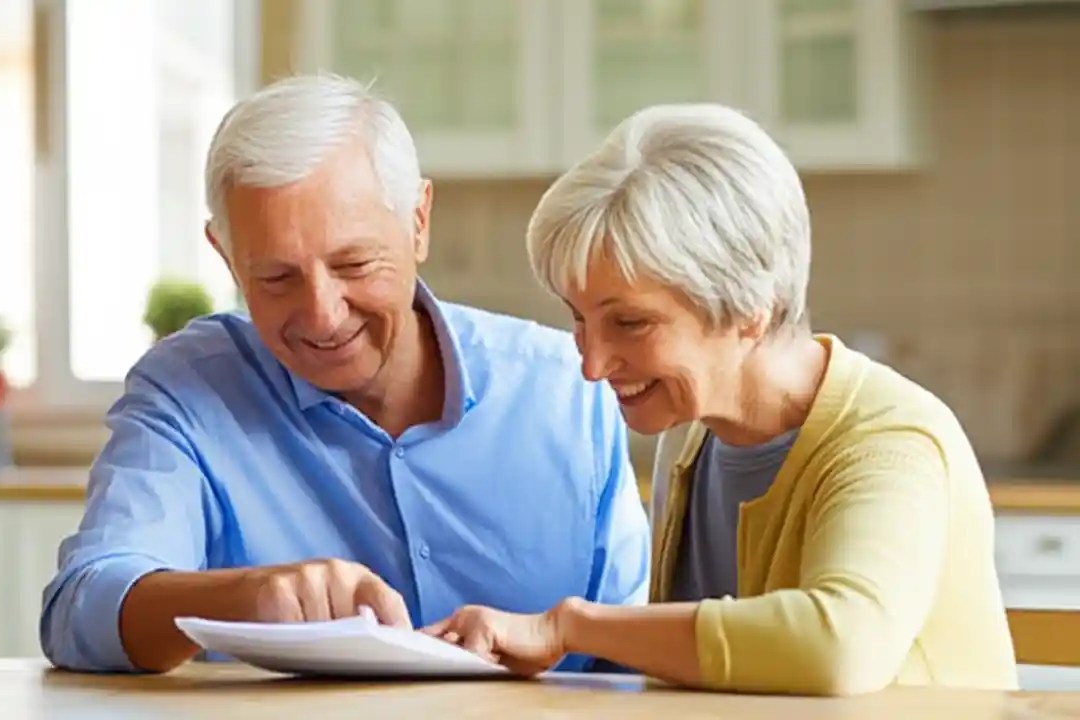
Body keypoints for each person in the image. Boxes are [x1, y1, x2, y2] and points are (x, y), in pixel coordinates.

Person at [39, 74, 650, 674]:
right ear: (225, 255)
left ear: (419, 223)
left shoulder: (569, 390)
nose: (323, 315)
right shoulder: (190, 391)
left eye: (354, 263)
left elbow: (632, 656)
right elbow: (80, 609)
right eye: (276, 278)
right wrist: (244, 597)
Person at [423, 104, 1019, 696]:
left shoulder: (889, 441)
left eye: (630, 323)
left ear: (748, 310)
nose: (592, 364)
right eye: (579, 319)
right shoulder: (694, 434)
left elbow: (838, 647)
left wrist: (567, 627)